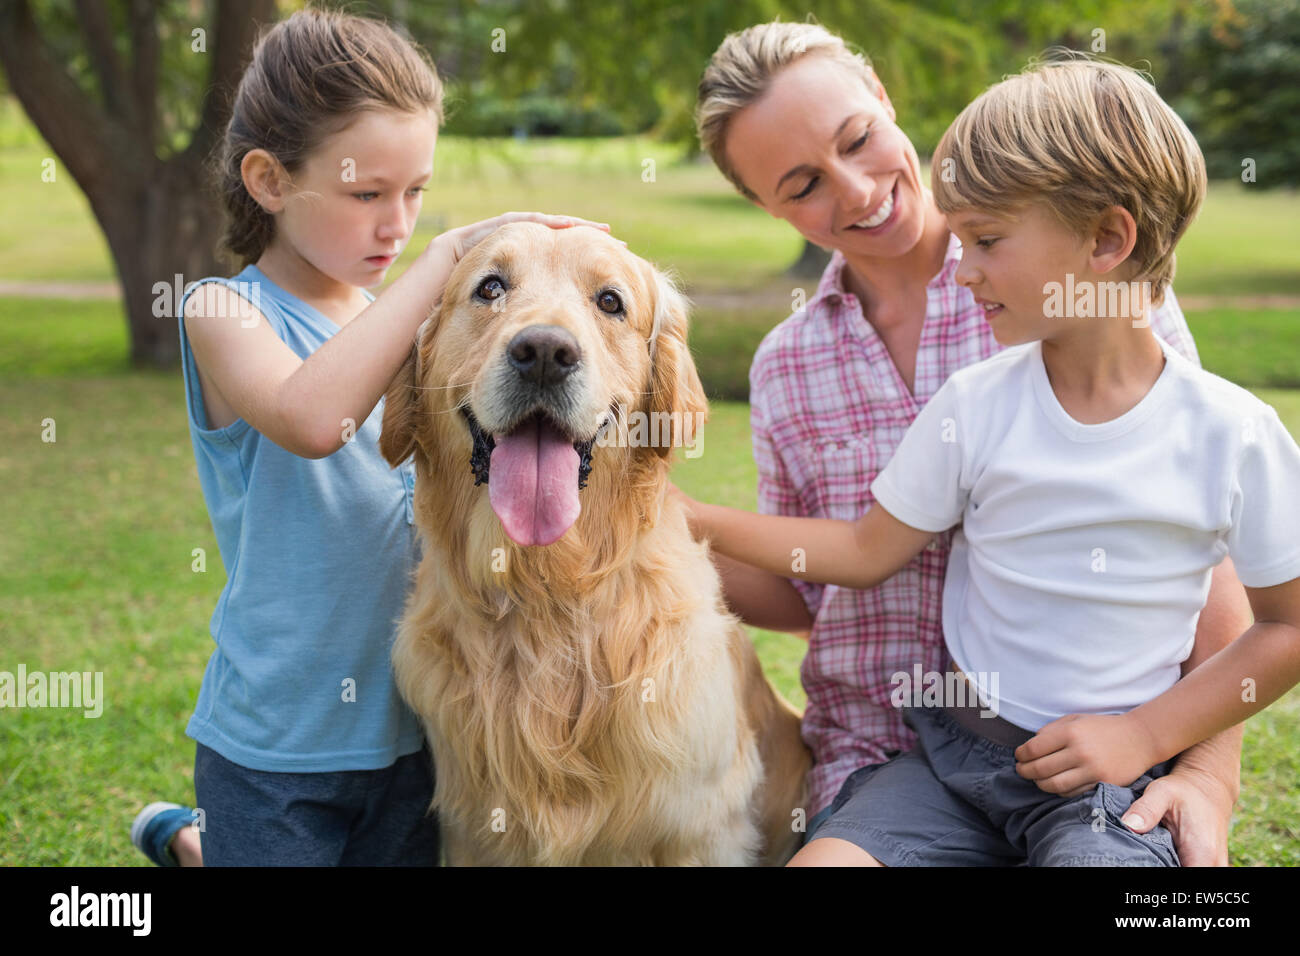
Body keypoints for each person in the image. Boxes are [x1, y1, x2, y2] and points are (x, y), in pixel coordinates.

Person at [680, 54, 1300, 867]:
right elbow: (836, 569)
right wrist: (659, 526)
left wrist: (1201, 768)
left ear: (883, 95)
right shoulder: (809, 367)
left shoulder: (1155, 354)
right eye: (801, 186)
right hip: (917, 756)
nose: (858, 192)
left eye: (859, 139)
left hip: (1108, 776)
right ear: (764, 206)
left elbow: (1222, 575)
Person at [130, 8, 607, 866]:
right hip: (279, 746)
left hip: (418, 729)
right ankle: (201, 841)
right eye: (366, 194)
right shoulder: (224, 311)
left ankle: (198, 847)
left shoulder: (406, 330)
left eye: (416, 193)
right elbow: (315, 419)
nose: (398, 223)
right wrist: (444, 261)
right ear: (270, 181)